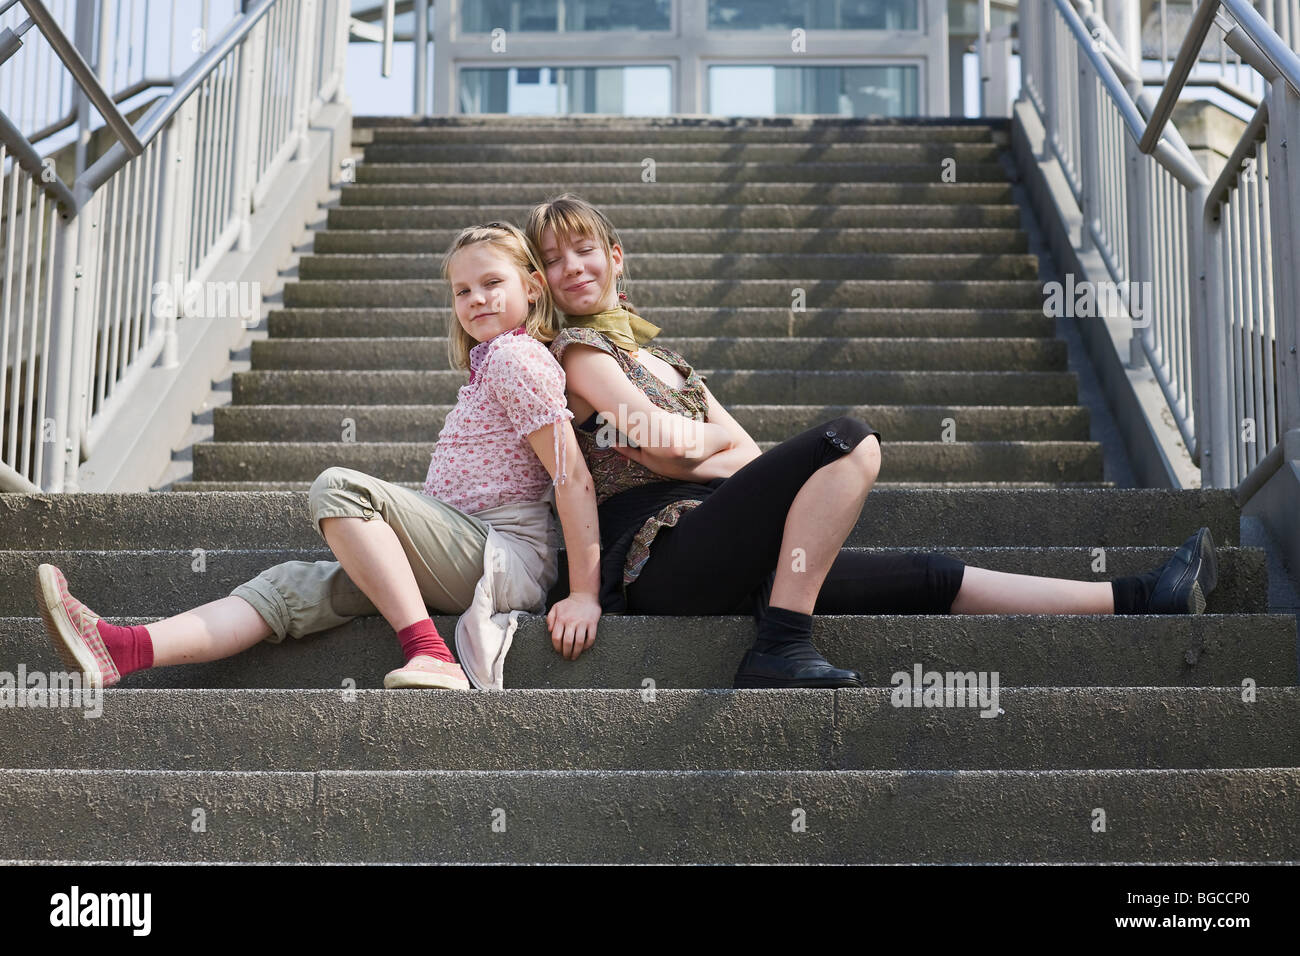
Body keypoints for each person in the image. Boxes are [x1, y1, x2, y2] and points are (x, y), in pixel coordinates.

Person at [523, 194, 1218, 689]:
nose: (573, 267)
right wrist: (695, 447)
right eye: (553, 260)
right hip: (659, 559)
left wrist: (690, 445)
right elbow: (664, 446)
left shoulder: (664, 363)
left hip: (722, 538)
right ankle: (781, 641)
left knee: (924, 573)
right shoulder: (578, 354)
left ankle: (1137, 597)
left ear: (616, 257)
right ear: (543, 281)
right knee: (847, 441)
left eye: (585, 249)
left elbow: (746, 455)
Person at [35, 221, 602, 692]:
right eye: (462, 291)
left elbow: (571, 476)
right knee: (287, 587)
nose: (476, 299)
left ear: (531, 287)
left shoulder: (515, 359)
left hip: (507, 557)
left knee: (340, 488)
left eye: (491, 283)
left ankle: (428, 649)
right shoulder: (487, 366)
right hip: (461, 554)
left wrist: (582, 595)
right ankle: (123, 649)